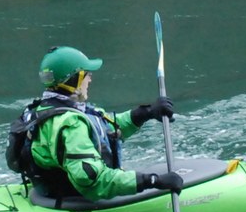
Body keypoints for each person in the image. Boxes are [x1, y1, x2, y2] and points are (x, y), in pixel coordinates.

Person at [15, 45, 182, 202]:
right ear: (74, 80)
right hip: (73, 198)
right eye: (87, 74)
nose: (90, 79)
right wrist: (152, 181)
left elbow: (105, 130)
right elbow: (94, 182)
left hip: (49, 190)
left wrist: (146, 113)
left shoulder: (46, 109)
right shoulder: (72, 124)